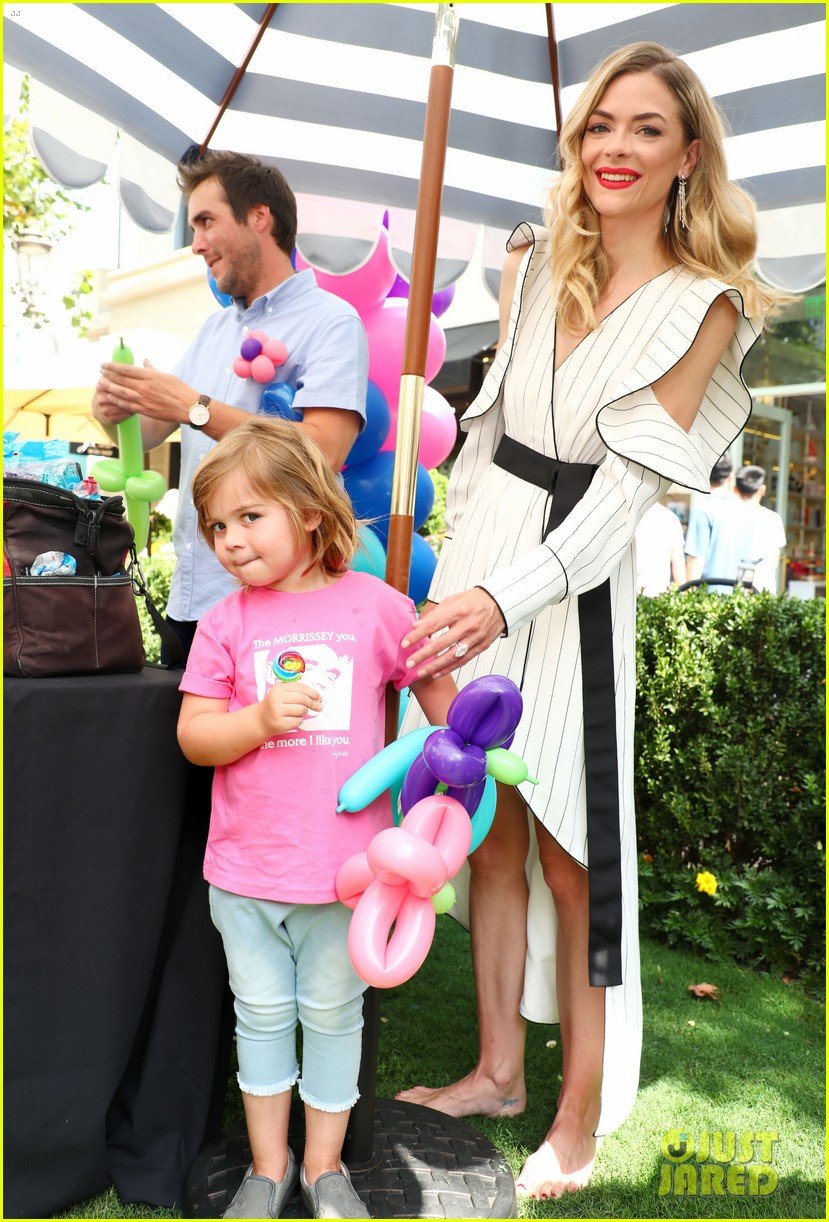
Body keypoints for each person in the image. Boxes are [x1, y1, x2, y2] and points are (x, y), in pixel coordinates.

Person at [394, 41, 780, 1199]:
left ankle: (576, 1113)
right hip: (479, 560)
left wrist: (492, 597)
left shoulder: (707, 304)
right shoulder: (529, 257)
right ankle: (498, 1073)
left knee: (578, 855)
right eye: (600, 124)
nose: (613, 146)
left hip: (577, 581)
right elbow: (482, 432)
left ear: (686, 155)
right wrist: (439, 585)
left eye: (645, 128)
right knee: (493, 827)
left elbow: (621, 499)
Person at [177, 418, 456, 1220]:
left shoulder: (376, 606)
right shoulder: (226, 622)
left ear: (306, 510)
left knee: (333, 1020)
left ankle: (323, 1169)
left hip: (349, 878)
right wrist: (258, 721)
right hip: (245, 874)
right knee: (260, 1020)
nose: (229, 541)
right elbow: (196, 738)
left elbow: (445, 716)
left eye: (248, 517)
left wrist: (464, 745)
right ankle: (268, 1169)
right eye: (216, 527)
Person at [93, 150, 368, 662]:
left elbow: (323, 454)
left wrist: (195, 407)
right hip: (192, 598)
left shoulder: (333, 321)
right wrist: (116, 411)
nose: (195, 244)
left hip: (275, 605)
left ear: (259, 217)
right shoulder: (215, 328)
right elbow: (152, 431)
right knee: (186, 744)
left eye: (205, 222)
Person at [685, 453, 760, 591]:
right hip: (737, 599)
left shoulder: (702, 509)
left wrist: (686, 597)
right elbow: (750, 565)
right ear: (730, 477)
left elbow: (696, 560)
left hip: (707, 600)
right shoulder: (746, 510)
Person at [734, 464, 787, 593]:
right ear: (762, 490)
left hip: (732, 591)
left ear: (735, 489)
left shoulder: (727, 516)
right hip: (764, 592)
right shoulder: (773, 519)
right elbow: (774, 561)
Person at [633, 501, 686, 594]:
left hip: (626, 597)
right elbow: (678, 567)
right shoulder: (670, 518)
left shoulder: (624, 516)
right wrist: (684, 596)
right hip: (659, 598)